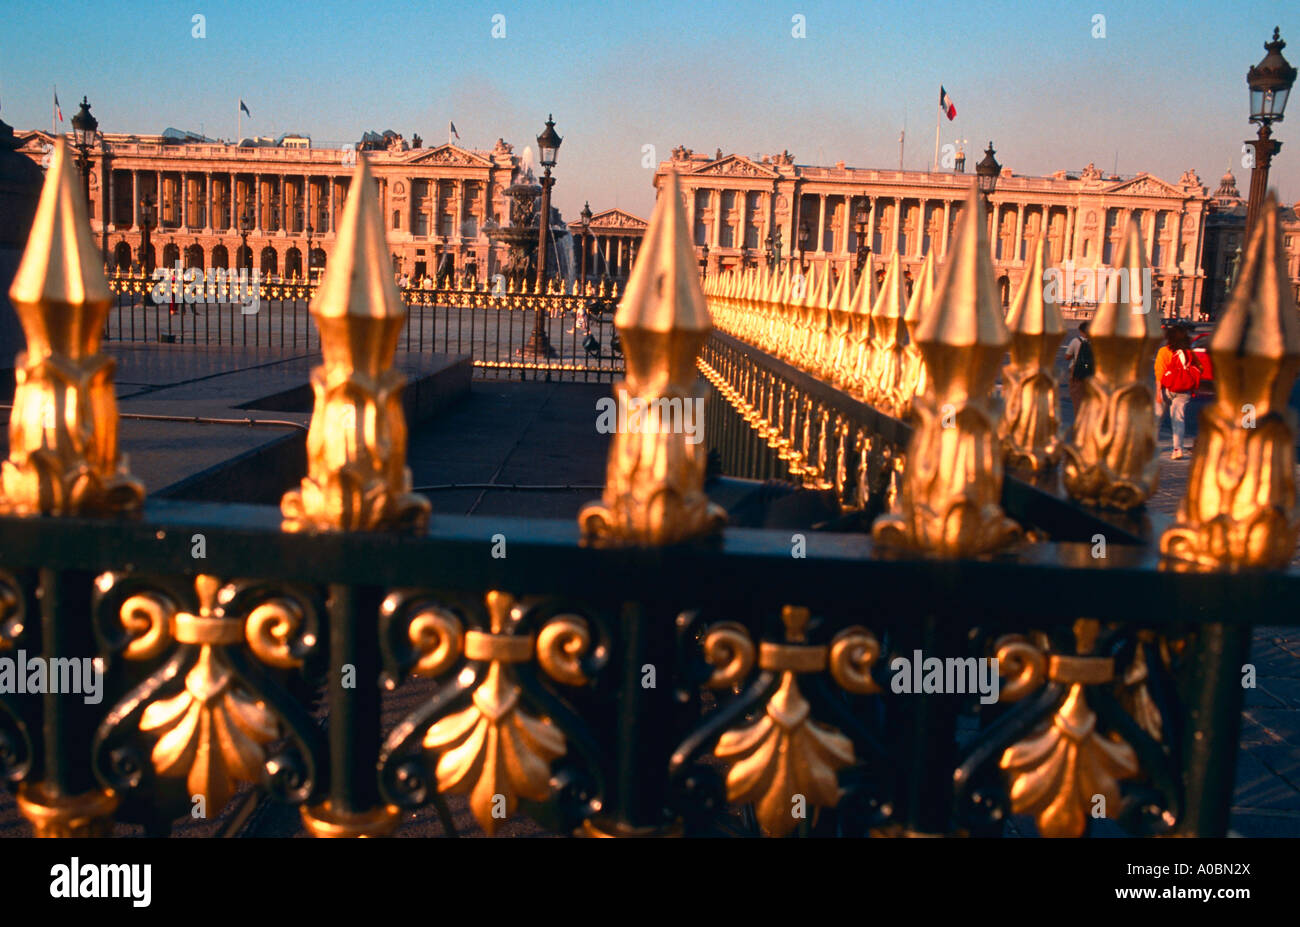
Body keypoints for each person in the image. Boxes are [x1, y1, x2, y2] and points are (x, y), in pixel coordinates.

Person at [1154, 322, 1203, 460]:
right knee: (1178, 419)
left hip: (1166, 389)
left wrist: (1158, 393)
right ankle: (1177, 449)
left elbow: (1159, 372)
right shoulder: (1189, 352)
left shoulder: (1164, 351)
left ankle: (1151, 446)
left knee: (1157, 417)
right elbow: (1200, 368)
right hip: (1184, 390)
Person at [1064, 320, 1094, 417]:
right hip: (1090, 372)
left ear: (1080, 331)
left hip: (1076, 371)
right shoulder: (1095, 341)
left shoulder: (1075, 341)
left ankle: (1079, 419)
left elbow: (1067, 356)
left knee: (1077, 397)